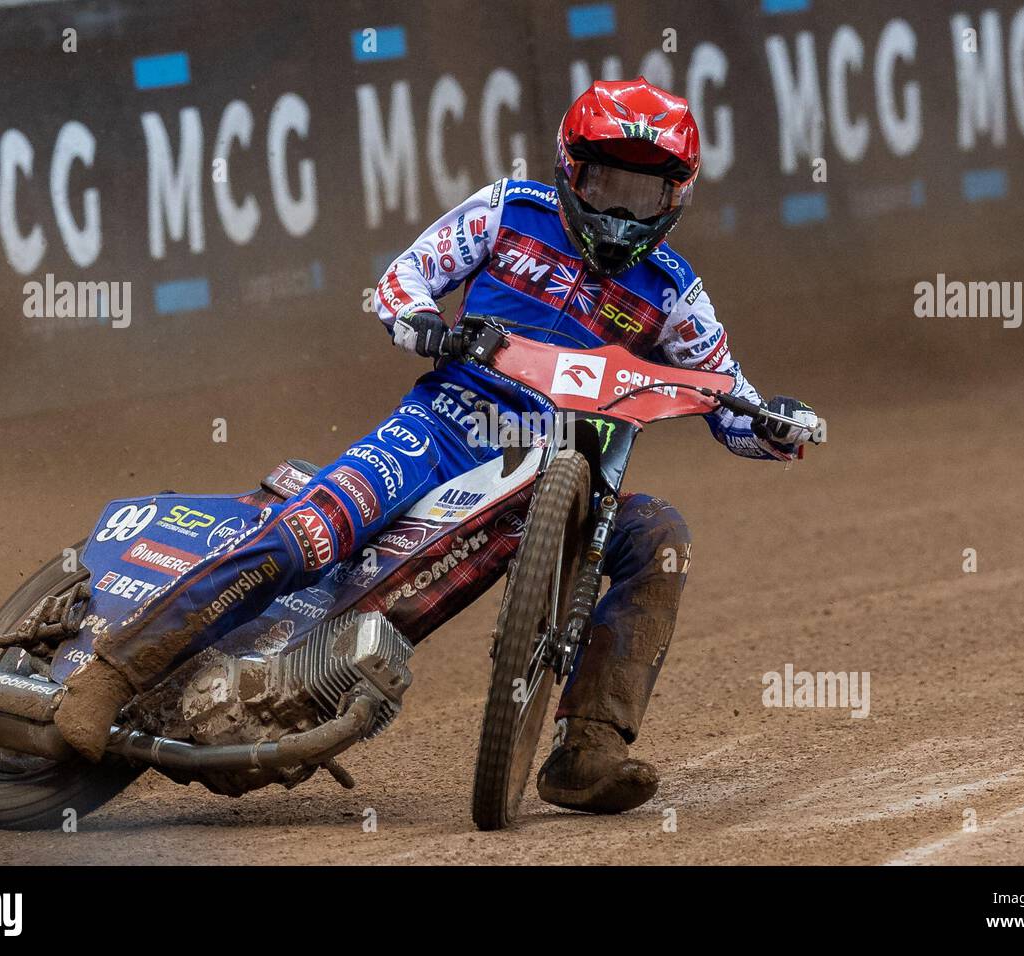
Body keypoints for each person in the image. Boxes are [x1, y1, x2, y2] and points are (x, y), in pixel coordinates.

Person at [55, 78, 816, 815]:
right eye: (606, 183)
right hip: (444, 429)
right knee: (313, 532)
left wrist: (773, 424)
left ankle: (589, 752)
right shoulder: (509, 209)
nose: (621, 210)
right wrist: (423, 322)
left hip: (568, 469)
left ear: (675, 198)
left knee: (659, 535)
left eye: (643, 194)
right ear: (569, 169)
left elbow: (729, 399)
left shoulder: (674, 290)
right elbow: (406, 277)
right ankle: (116, 673)